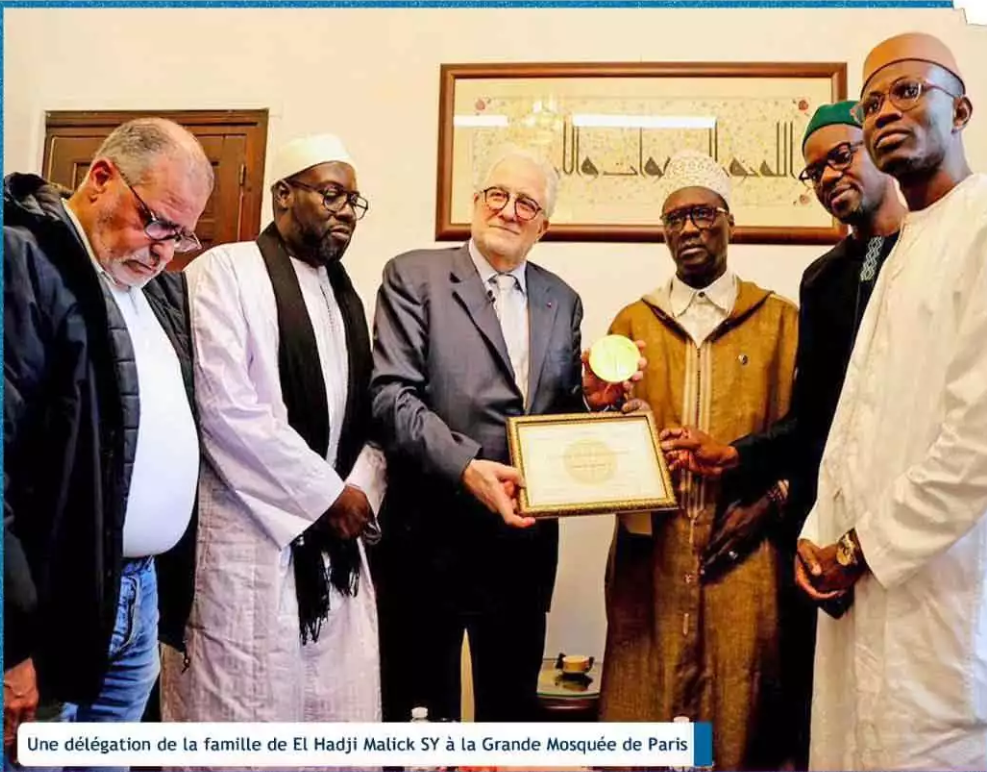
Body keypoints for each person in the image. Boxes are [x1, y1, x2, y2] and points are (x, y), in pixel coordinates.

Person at [656, 103, 907, 765]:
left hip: (910, 526)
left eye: (841, 155)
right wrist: (734, 456)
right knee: (820, 716)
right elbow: (815, 420)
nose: (828, 175)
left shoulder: (933, 249)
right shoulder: (822, 279)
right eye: (814, 167)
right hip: (821, 535)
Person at [370, 147, 635, 723]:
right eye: (498, 195)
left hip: (522, 545)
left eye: (527, 204)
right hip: (427, 538)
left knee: (511, 717)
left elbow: (551, 419)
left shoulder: (560, 298)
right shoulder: (414, 276)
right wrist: (468, 469)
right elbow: (392, 398)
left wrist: (592, 398)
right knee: (419, 718)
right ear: (475, 203)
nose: (510, 211)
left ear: (544, 225)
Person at [795, 33, 987, 770]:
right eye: (872, 101)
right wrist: (819, 535)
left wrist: (858, 548)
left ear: (960, 109)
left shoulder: (978, 227)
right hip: (859, 595)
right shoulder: (901, 243)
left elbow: (975, 443)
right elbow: (855, 420)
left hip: (938, 601)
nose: (884, 111)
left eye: (908, 91)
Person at [3, 118, 212, 768]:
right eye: (156, 221)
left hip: (136, 596)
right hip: (50, 600)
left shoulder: (158, 290)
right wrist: (11, 643)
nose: (163, 252)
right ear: (100, 178)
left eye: (182, 236)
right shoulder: (25, 264)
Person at [160, 134, 386, 731]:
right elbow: (227, 409)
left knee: (332, 716)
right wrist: (326, 496)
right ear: (284, 196)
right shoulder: (223, 273)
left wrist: (356, 494)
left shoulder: (345, 296)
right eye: (332, 194)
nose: (345, 211)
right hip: (248, 539)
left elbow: (366, 416)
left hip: (335, 542)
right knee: (246, 717)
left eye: (354, 202)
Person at [598, 150, 800, 771]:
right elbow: (604, 443)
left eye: (702, 214)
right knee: (643, 706)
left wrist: (769, 505)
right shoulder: (632, 321)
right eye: (674, 219)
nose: (688, 229)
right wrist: (602, 411)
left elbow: (813, 438)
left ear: (730, 222)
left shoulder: (780, 321)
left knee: (743, 708)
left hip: (747, 556)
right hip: (648, 561)